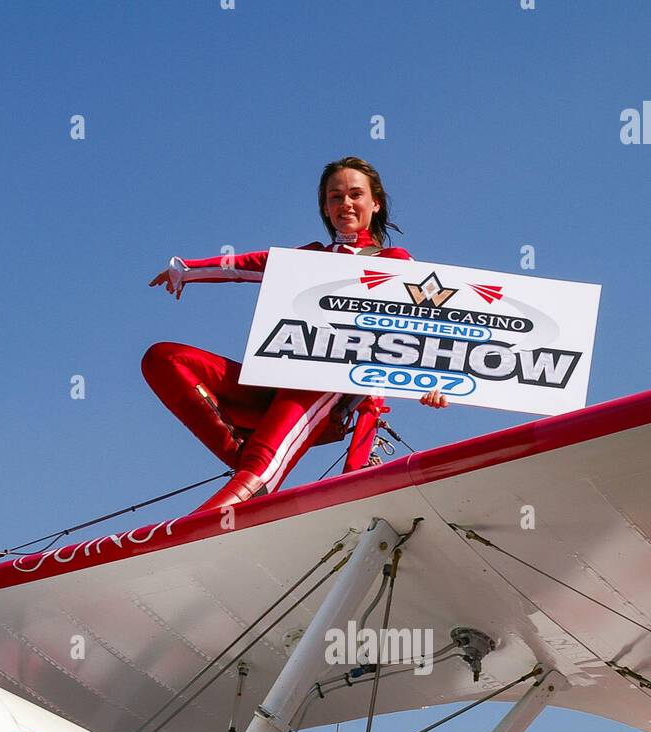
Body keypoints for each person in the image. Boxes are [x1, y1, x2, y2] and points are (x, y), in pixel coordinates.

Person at [143, 156, 447, 510]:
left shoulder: (395, 260)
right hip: (276, 378)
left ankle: (238, 490)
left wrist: (435, 381)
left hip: (327, 381)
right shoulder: (310, 258)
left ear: (375, 203)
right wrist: (184, 271)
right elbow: (247, 267)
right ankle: (250, 462)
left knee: (269, 453)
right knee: (163, 358)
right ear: (325, 206)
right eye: (335, 197)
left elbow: (426, 324)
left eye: (355, 194)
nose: (345, 203)